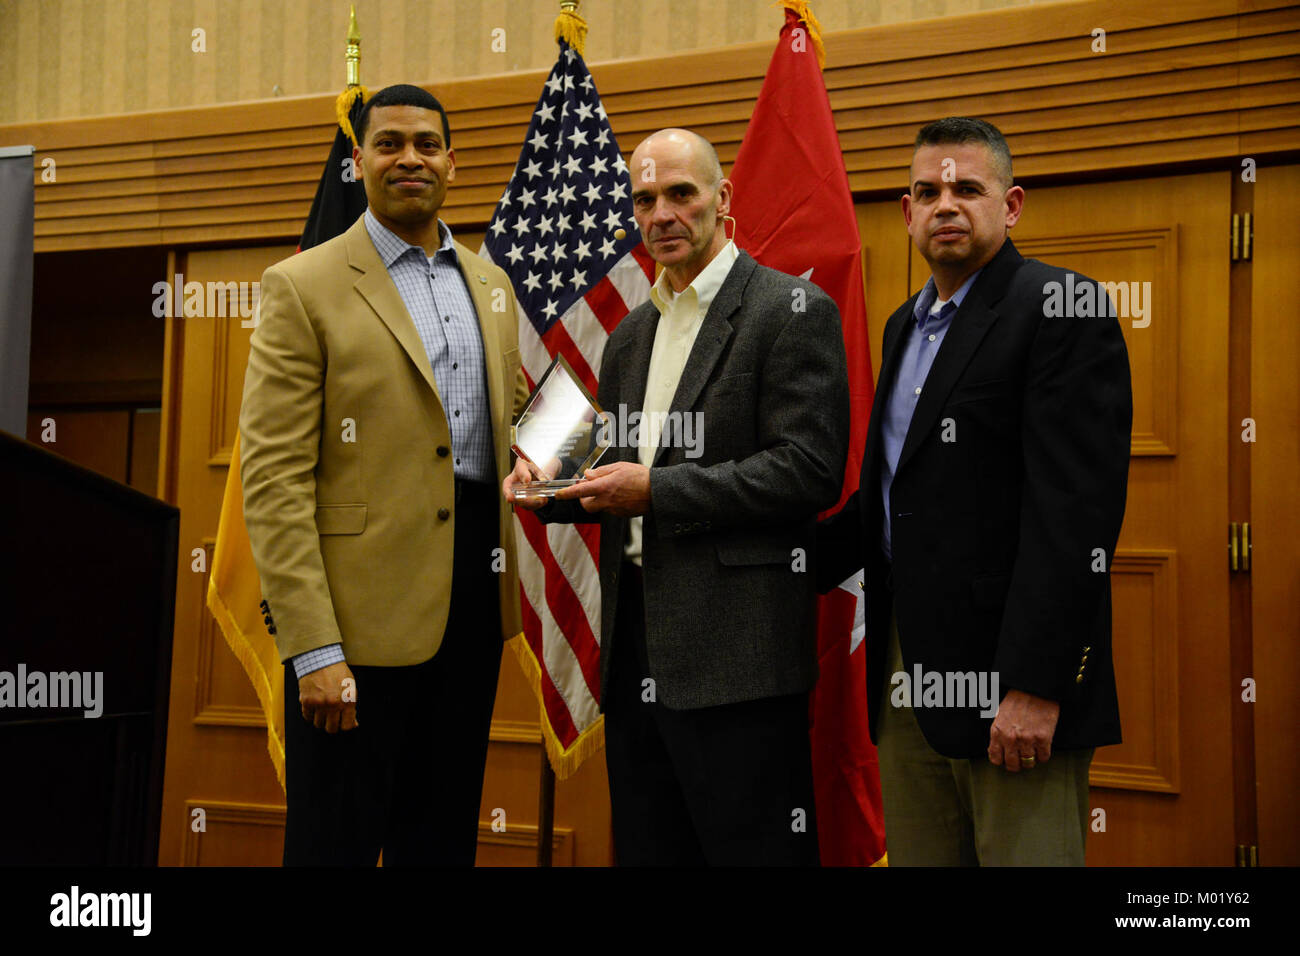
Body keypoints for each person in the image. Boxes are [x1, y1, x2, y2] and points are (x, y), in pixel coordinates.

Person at [508, 128, 849, 866]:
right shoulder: (631, 335)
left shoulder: (791, 311)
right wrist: (551, 489)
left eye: (680, 194)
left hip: (740, 665)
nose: (661, 213)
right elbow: (621, 469)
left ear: (722, 200)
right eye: (644, 198)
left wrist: (656, 492)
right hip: (636, 659)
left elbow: (807, 471)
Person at [817, 117, 1133, 866]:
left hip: (1012, 679)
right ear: (906, 214)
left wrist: (1036, 686)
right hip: (906, 673)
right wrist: (760, 552)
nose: (945, 205)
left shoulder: (1060, 307)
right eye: (927, 192)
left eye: (967, 188)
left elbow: (1075, 517)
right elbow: (894, 498)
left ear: (1012, 205)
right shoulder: (903, 326)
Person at [240, 84, 527, 866]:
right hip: (354, 628)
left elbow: (509, 422)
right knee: (335, 845)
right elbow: (271, 480)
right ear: (360, 160)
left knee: (438, 844)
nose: (410, 158)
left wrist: (571, 454)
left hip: (471, 608)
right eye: (390, 143)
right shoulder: (302, 285)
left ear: (453, 164)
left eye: (427, 144)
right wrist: (314, 649)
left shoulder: (492, 285)